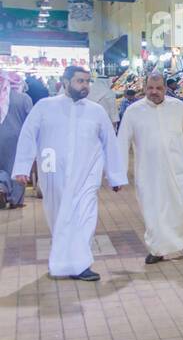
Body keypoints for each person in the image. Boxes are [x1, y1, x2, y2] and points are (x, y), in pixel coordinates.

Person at [11, 65, 127, 281]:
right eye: (80, 81)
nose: (85, 86)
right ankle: (64, 264)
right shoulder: (45, 107)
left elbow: (109, 143)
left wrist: (115, 176)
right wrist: (22, 168)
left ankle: (82, 265)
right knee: (60, 219)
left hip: (87, 176)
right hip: (53, 174)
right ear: (65, 82)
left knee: (85, 219)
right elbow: (28, 135)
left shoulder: (96, 111)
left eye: (87, 81)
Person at [118, 72, 183, 264]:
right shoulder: (133, 111)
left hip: (180, 168)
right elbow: (122, 142)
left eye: (158, 88)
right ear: (144, 88)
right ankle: (158, 249)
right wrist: (118, 175)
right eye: (150, 88)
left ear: (165, 89)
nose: (154, 92)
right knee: (154, 211)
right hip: (150, 172)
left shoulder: (178, 107)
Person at [0, 72, 33, 209]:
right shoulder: (24, 98)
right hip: (17, 139)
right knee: (17, 167)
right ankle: (15, 200)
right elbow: (31, 121)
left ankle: (2, 188)